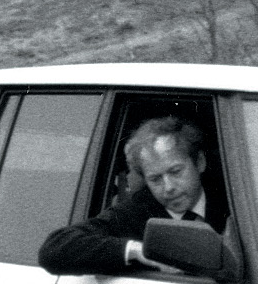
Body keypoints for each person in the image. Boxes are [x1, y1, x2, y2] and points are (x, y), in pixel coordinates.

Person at [38, 116, 229, 275]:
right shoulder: (135, 213)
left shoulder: (233, 203)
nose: (168, 187)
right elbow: (54, 249)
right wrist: (137, 250)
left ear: (200, 162)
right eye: (155, 179)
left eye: (176, 171)